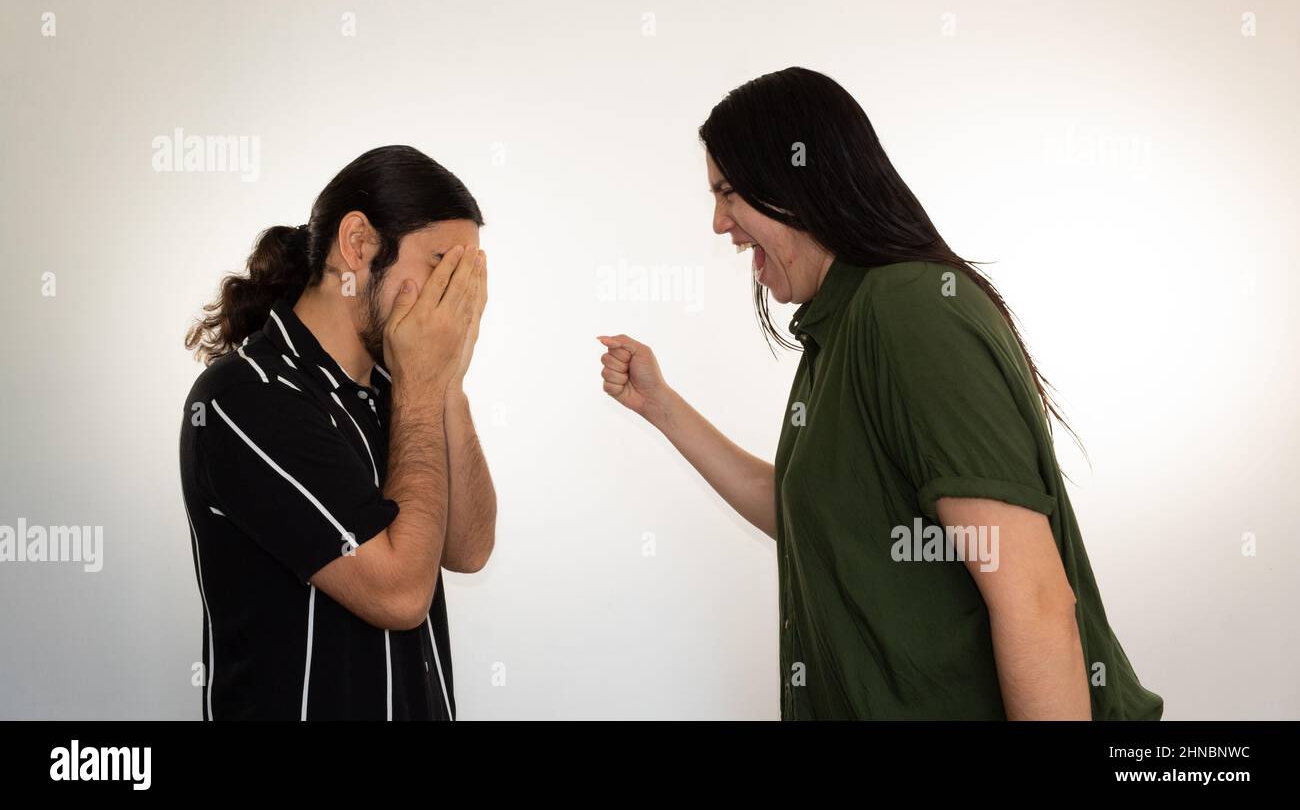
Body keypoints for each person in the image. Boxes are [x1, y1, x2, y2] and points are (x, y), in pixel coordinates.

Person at [598, 67, 1163, 720]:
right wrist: (663, 408)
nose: (720, 223)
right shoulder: (839, 328)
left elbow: (1032, 596)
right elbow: (810, 516)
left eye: (730, 194)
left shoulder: (907, 311)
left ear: (795, 183)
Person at [180, 144, 494, 720]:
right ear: (357, 244)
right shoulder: (247, 397)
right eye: (440, 266)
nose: (454, 302)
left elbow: (468, 548)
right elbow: (400, 595)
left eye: (466, 281)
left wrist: (446, 381)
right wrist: (424, 387)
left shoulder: (398, 389)